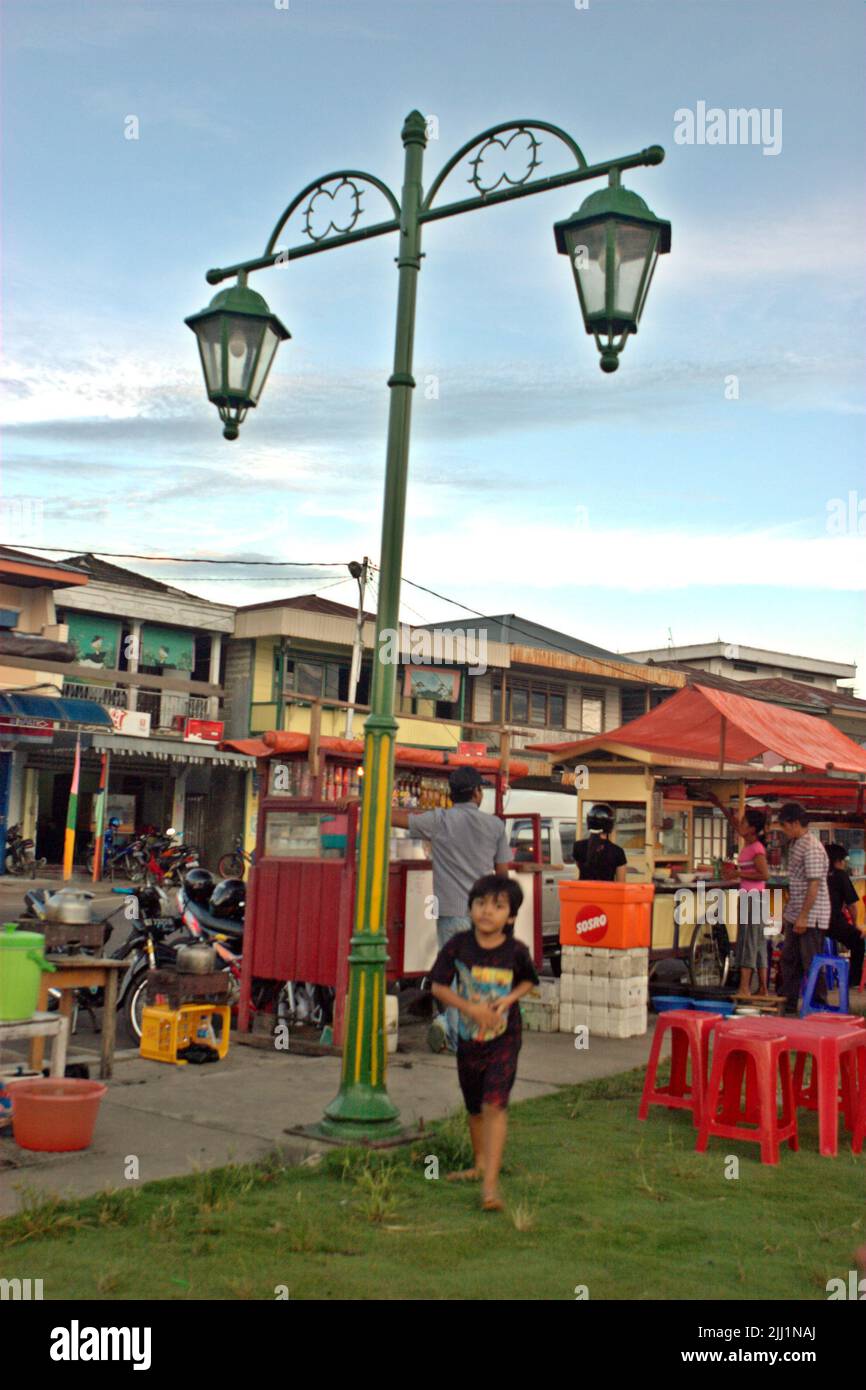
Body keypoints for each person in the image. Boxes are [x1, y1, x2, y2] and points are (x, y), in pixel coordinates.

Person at [429, 874, 538, 1212]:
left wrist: (506, 1002)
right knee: (475, 1107)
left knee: (495, 1103)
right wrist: (470, 1009)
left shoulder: (516, 951)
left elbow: (527, 982)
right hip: (468, 1037)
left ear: (511, 916)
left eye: (498, 906)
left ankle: (490, 1187)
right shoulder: (458, 946)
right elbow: (438, 986)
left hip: (505, 1039)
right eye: (480, 904)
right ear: (471, 908)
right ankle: (478, 1164)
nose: (487, 911)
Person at [391, 766, 511, 1054]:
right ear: (476, 793)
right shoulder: (495, 826)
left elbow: (396, 818)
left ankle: (457, 1037)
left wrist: (362, 803)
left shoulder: (439, 820)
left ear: (452, 794)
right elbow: (503, 876)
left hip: (451, 914)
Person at [778, 803, 831, 1014]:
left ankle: (819, 1007)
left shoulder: (812, 847)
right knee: (789, 959)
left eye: (785, 825)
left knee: (812, 963)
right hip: (796, 912)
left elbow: (814, 884)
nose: (784, 830)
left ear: (795, 823)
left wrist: (804, 916)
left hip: (811, 914)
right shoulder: (795, 843)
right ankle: (789, 1004)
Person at [732, 808, 770, 998]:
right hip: (754, 897)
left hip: (753, 898)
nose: (741, 825)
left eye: (745, 823)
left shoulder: (756, 849)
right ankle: (763, 987)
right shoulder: (749, 845)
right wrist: (720, 805)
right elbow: (735, 825)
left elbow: (764, 874)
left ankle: (745, 987)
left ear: (752, 828)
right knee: (758, 942)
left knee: (747, 941)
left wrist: (738, 874)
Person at [826, 843, 865, 990]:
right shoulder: (840, 875)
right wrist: (856, 924)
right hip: (833, 923)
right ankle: (853, 981)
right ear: (838, 860)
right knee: (858, 941)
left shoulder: (818, 873)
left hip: (816, 923)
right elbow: (853, 905)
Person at [573, 804, 627, 882]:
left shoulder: (578, 846)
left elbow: (582, 868)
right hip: (607, 893)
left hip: (583, 893)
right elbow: (621, 882)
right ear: (610, 825)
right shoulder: (617, 851)